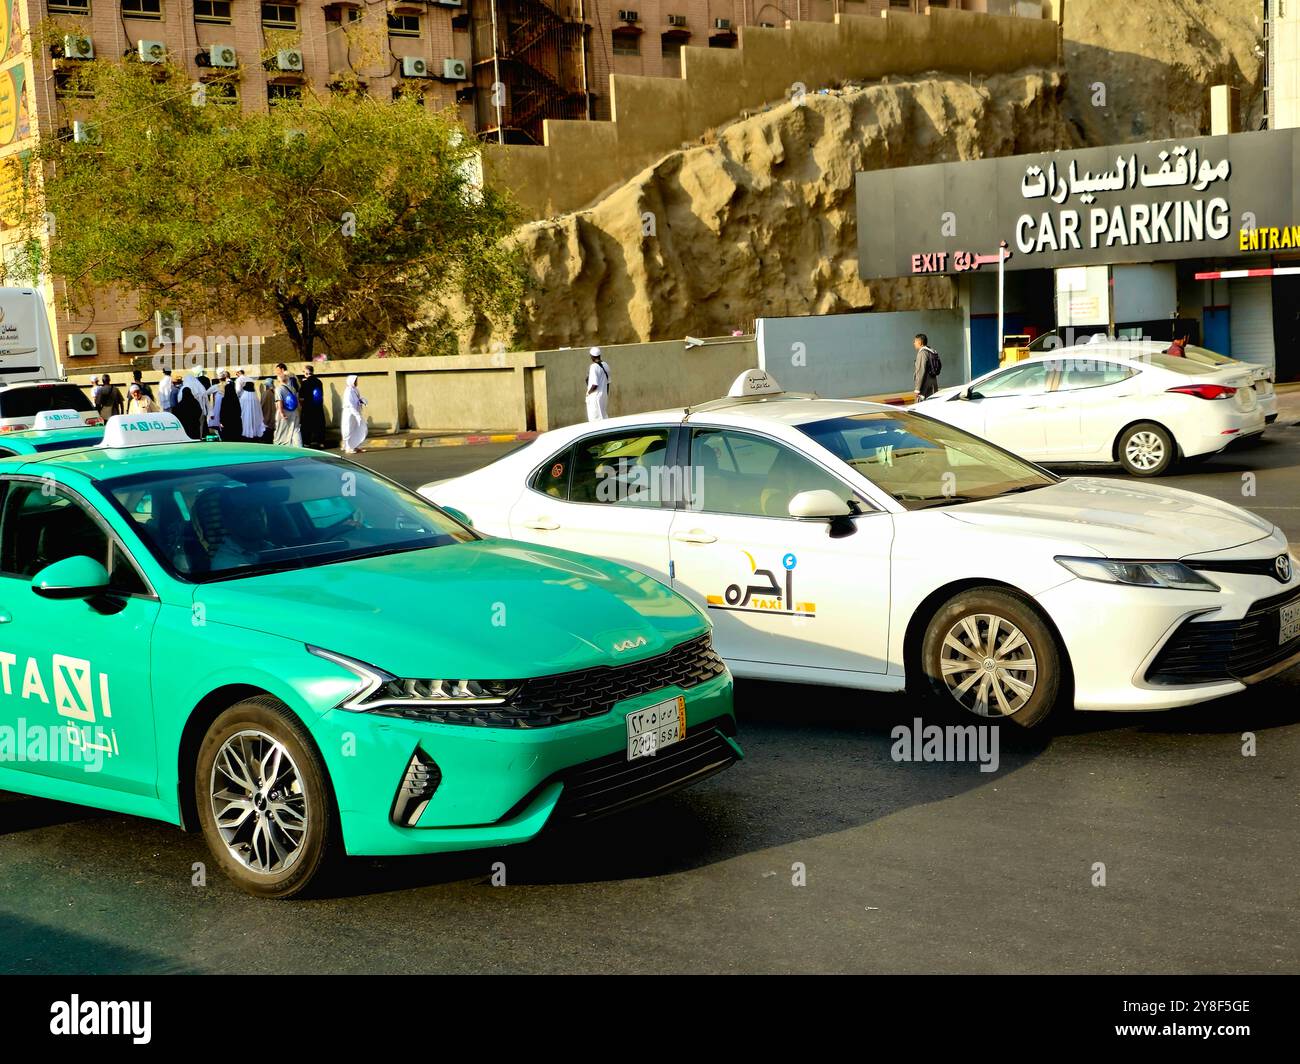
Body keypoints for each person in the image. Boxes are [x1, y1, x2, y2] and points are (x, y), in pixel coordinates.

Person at [273, 363, 302, 447]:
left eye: (277, 370)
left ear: (282, 369)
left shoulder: (285, 379)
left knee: (283, 430)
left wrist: (281, 412)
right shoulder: (294, 378)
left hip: (286, 408)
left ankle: (282, 446)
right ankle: (298, 446)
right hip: (295, 407)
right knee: (296, 429)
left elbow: (280, 400)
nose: (276, 372)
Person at [299, 365, 326, 449]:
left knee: (306, 426)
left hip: (308, 408)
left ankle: (307, 442)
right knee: (319, 425)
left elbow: (301, 397)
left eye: (304, 372)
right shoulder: (319, 382)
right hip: (318, 407)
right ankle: (320, 442)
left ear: (306, 372)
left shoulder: (305, 383)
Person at [340, 374, 368, 454]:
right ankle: (348, 448)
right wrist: (356, 414)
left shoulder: (355, 390)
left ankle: (356, 446)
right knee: (349, 430)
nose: (356, 382)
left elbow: (357, 400)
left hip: (355, 412)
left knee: (357, 429)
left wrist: (362, 401)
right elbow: (350, 404)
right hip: (350, 414)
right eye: (355, 381)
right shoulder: (348, 391)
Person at [173, 374, 206, 440]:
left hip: (184, 429)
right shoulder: (195, 402)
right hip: (195, 427)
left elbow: (175, 413)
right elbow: (199, 411)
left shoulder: (179, 405)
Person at [585, 346, 610, 421]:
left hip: (595, 397)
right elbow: (608, 383)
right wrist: (606, 394)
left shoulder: (593, 367)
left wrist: (588, 393)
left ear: (592, 356)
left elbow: (595, 385)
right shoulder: (606, 365)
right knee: (603, 416)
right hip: (604, 396)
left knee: (595, 418)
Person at [913, 333, 941, 400]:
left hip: (925, 385)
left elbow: (920, 371)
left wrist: (917, 389)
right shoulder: (932, 351)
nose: (914, 343)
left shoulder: (922, 353)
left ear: (920, 342)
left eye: (915, 341)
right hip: (933, 383)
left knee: (919, 407)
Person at [238, 377, 266, 442]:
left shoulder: (243, 396)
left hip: (244, 417)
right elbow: (258, 409)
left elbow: (240, 407)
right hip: (254, 417)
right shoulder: (255, 397)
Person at [220, 371, 243, 442]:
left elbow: (222, 411)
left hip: (227, 424)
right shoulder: (236, 399)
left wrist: (221, 421)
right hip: (236, 423)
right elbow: (239, 410)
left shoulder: (224, 399)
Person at [260, 378, 277, 443]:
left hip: (266, 419)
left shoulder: (265, 393)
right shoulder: (275, 392)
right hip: (273, 418)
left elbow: (262, 405)